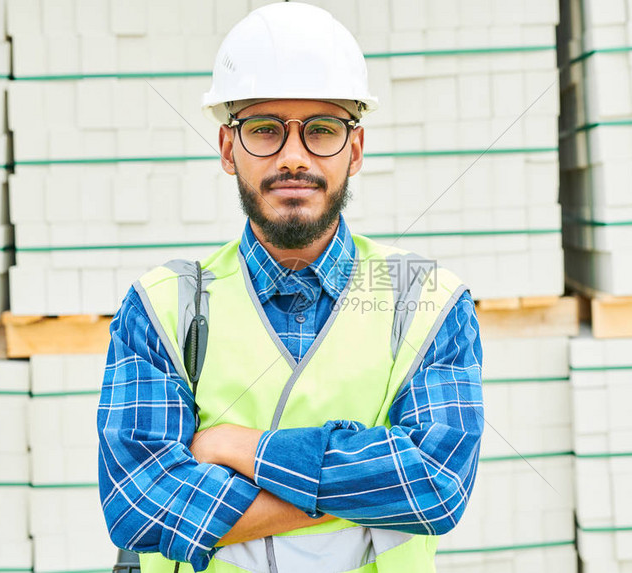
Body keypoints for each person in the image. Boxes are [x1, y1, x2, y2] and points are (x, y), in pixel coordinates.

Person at [97, 3, 483, 572]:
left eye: (323, 130)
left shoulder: (425, 300)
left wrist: (240, 448)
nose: (294, 156)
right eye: (264, 130)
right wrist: (365, 487)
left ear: (354, 150)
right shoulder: (163, 306)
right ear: (229, 150)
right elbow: (138, 508)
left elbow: (437, 485)